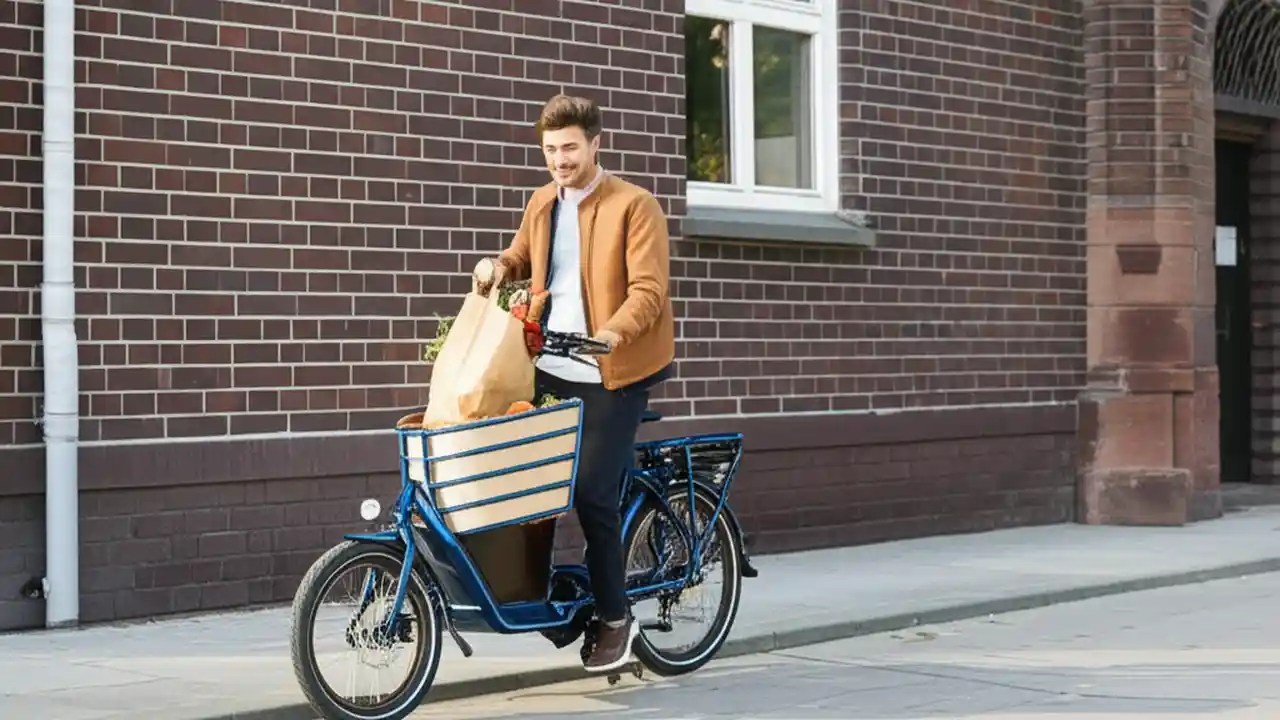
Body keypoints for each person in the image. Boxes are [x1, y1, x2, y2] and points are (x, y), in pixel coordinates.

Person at [473, 94, 674, 673]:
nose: (559, 160)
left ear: (594, 145)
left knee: (591, 492)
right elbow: (523, 255)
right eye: (550, 150)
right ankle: (535, 592)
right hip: (551, 362)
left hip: (614, 372)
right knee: (521, 470)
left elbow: (648, 291)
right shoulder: (543, 201)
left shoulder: (636, 206)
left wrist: (612, 333)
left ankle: (616, 618)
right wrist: (498, 267)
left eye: (569, 148)